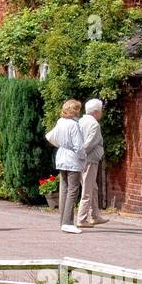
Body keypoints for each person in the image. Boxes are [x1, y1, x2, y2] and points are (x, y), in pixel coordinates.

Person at [46, 99, 85, 234]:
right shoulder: (74, 125)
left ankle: (63, 220)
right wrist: (83, 158)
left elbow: (52, 137)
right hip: (72, 158)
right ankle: (67, 222)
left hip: (61, 156)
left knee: (64, 189)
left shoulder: (60, 122)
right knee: (73, 190)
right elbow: (78, 146)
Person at [76, 98, 107, 227]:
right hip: (89, 159)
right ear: (96, 111)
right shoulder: (94, 124)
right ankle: (82, 218)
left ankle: (95, 215)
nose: (102, 113)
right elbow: (90, 143)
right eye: (100, 110)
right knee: (87, 189)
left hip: (82, 159)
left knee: (93, 188)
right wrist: (81, 154)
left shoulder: (80, 121)